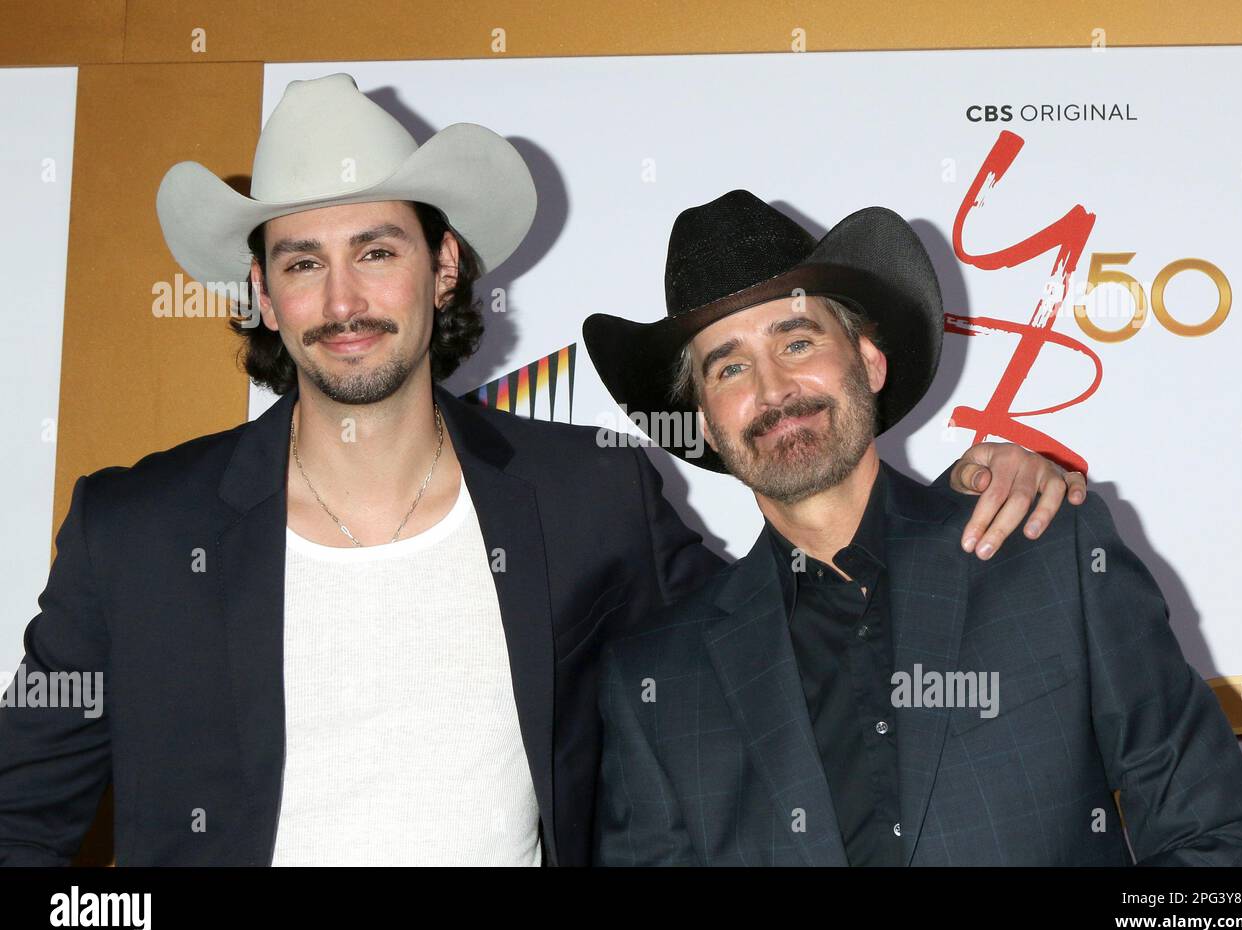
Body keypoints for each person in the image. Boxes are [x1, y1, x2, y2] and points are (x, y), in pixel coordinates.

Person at [0, 77, 1084, 867]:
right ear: (263, 291)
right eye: (301, 261)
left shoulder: (586, 496)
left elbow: (793, 622)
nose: (341, 300)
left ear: (444, 265)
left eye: (376, 249)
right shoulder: (134, 529)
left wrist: (962, 508)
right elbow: (22, 815)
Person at [585, 189, 1242, 866]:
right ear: (707, 422)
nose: (771, 390)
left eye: (796, 341)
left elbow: (1216, 843)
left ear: (869, 361)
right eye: (730, 366)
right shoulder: (655, 682)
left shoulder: (1049, 552)